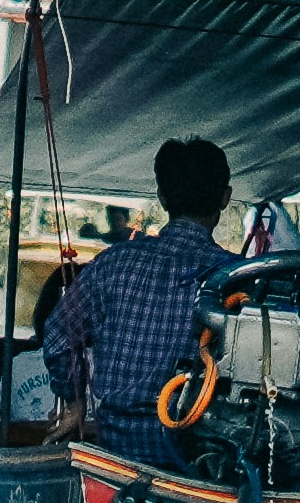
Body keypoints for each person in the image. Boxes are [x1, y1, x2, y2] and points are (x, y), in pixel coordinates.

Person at [36, 136, 239, 460]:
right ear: (225, 198)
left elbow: (59, 333)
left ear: (162, 197)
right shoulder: (238, 278)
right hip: (199, 465)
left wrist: (75, 402)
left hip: (118, 457)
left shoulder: (114, 262)